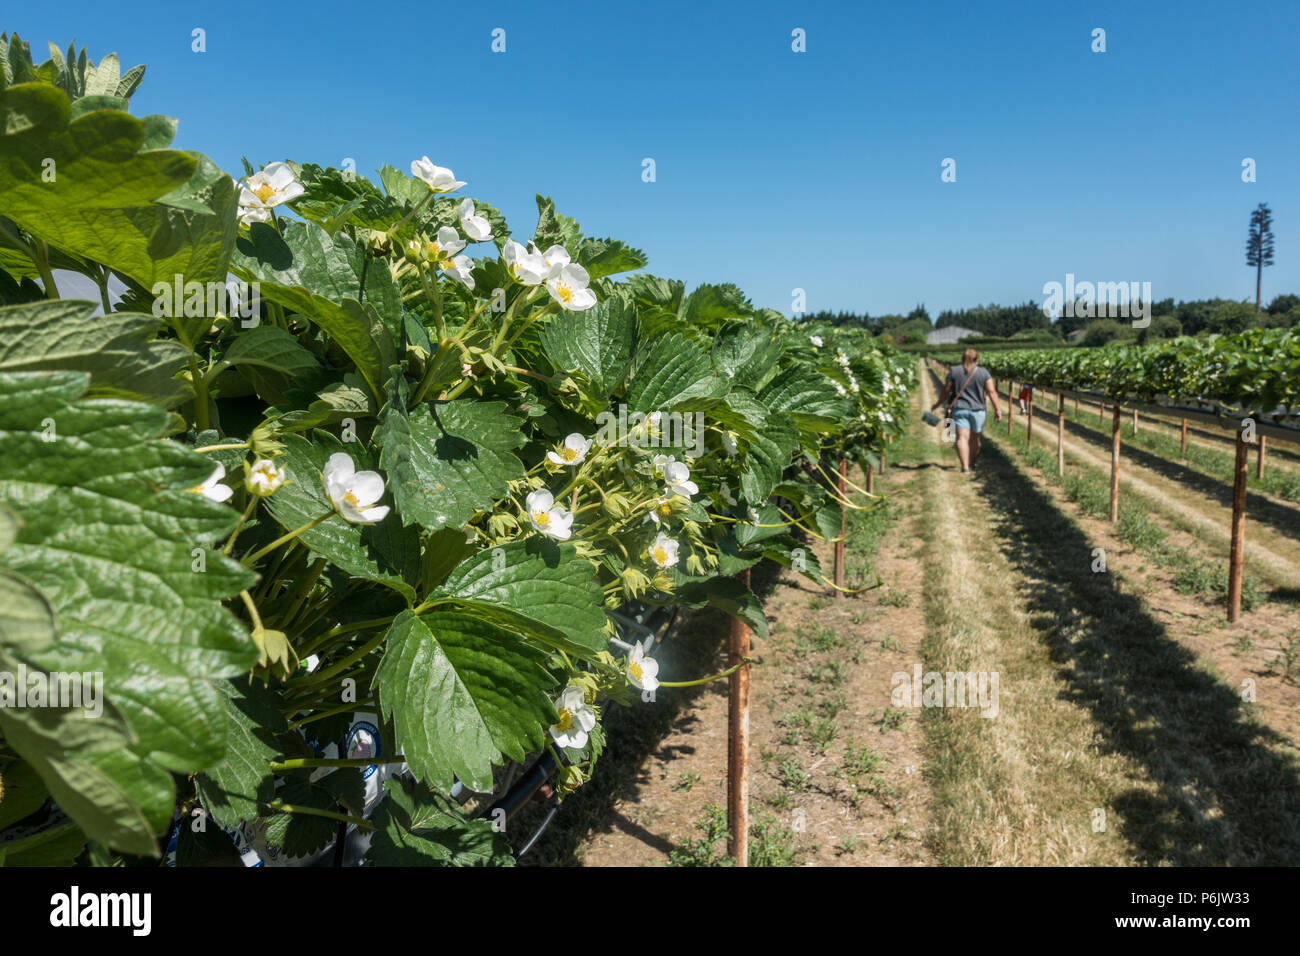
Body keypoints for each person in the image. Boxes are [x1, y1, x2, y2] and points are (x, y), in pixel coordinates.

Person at [931, 348, 1002, 474]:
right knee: (975, 439)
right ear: (976, 359)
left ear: (962, 358)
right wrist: (997, 409)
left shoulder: (954, 370)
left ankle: (965, 467)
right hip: (978, 410)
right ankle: (972, 462)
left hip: (960, 408)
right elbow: (991, 391)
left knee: (962, 438)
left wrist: (938, 403)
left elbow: (946, 390)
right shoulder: (983, 372)